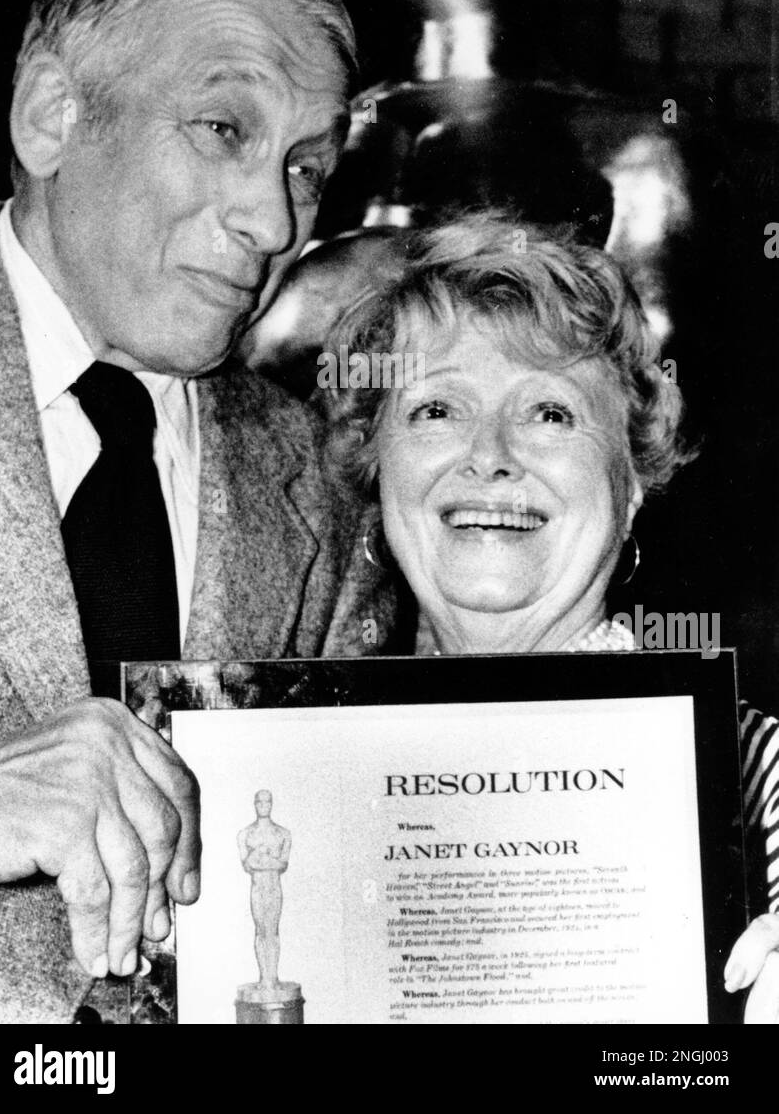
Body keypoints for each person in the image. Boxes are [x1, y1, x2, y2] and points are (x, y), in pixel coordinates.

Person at [0, 0, 402, 1023]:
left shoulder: (323, 478)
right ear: (52, 115)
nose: (274, 219)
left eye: (307, 165)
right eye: (222, 129)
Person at [324, 211, 779, 1022]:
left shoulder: (761, 780)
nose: (490, 453)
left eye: (549, 413)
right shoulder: (293, 775)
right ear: (376, 469)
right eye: (436, 409)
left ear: (632, 480)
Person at [237, 790, 291, 996]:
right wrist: (266, 859)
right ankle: (264, 978)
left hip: (274, 886)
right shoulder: (245, 834)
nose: (263, 805)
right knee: (260, 930)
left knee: (273, 931)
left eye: (267, 801)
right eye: (259, 802)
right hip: (258, 887)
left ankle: (273, 977)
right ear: (255, 804)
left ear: (271, 804)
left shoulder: (283, 834)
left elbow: (282, 864)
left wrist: (260, 857)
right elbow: (248, 864)